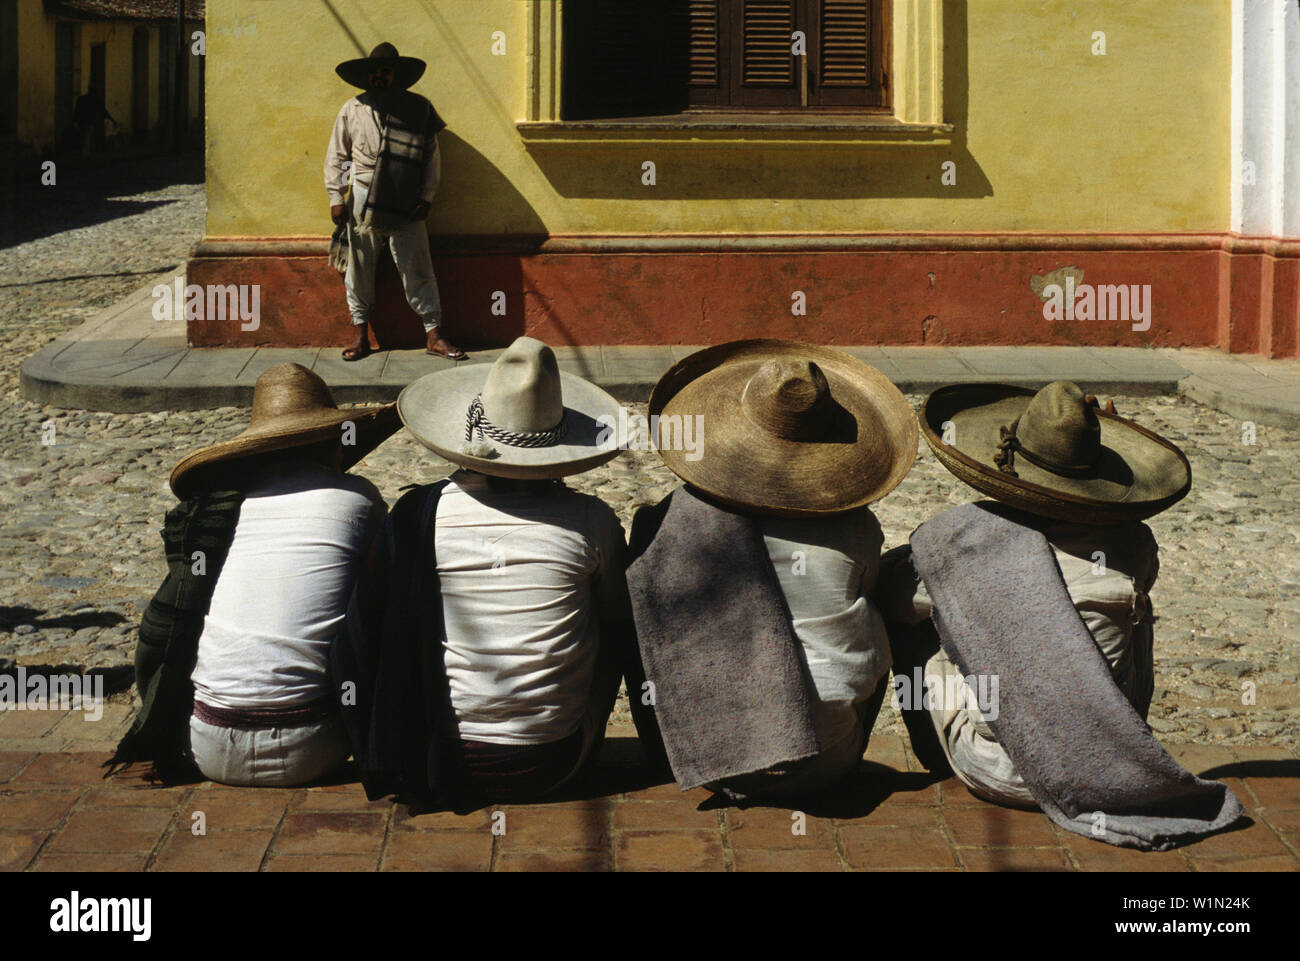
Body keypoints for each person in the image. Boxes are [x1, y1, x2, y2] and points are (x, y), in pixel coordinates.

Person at [877, 381, 1243, 849]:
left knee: (924, 617)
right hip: (1102, 770)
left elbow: (893, 603)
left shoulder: (958, 541)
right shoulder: (1134, 543)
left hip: (995, 769)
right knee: (1134, 616)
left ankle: (938, 751)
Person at [334, 336, 635, 807]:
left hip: (438, 760)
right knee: (607, 615)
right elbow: (618, 616)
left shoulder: (417, 514)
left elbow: (367, 628)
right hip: (552, 764)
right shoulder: (592, 520)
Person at [624, 340, 918, 801]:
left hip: (702, 762)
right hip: (829, 764)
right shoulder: (858, 530)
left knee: (637, 597)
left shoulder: (666, 522)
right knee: (881, 607)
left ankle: (664, 749)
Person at [106, 363, 399, 786]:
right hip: (314, 747)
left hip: (207, 744)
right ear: (337, 444)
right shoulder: (358, 498)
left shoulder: (226, 510)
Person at [324, 42, 465, 362]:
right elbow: (337, 156)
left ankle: (433, 334)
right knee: (360, 268)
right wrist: (336, 197)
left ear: (397, 75)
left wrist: (426, 197)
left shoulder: (418, 109)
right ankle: (360, 335)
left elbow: (431, 158)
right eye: (374, 72)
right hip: (361, 198)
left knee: (417, 266)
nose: (380, 76)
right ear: (366, 76)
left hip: (406, 198)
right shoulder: (352, 109)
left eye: (386, 71)